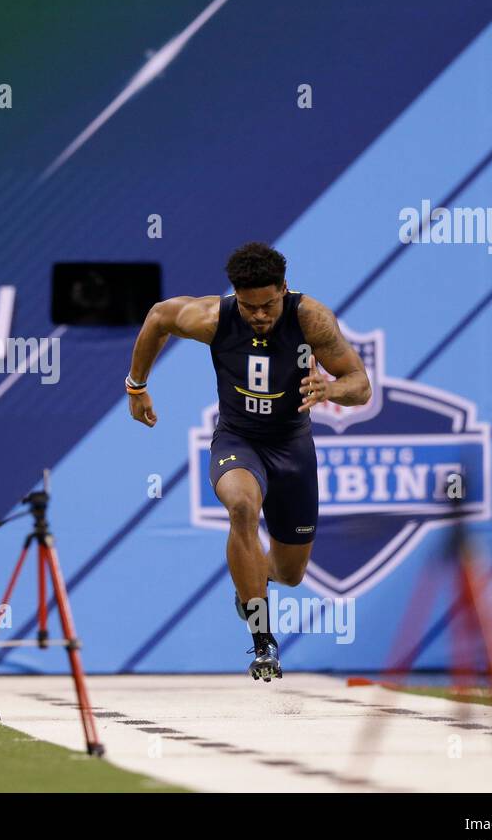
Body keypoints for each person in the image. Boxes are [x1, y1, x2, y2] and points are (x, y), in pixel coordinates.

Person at [125, 242, 371, 680]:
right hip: (238, 439)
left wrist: (330, 390)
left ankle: (250, 586)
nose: (258, 315)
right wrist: (136, 385)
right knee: (241, 507)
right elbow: (159, 316)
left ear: (285, 289)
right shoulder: (214, 318)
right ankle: (262, 641)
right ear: (234, 295)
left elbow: (360, 385)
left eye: (268, 305)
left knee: (291, 574)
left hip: (292, 446)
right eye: (248, 306)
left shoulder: (309, 317)